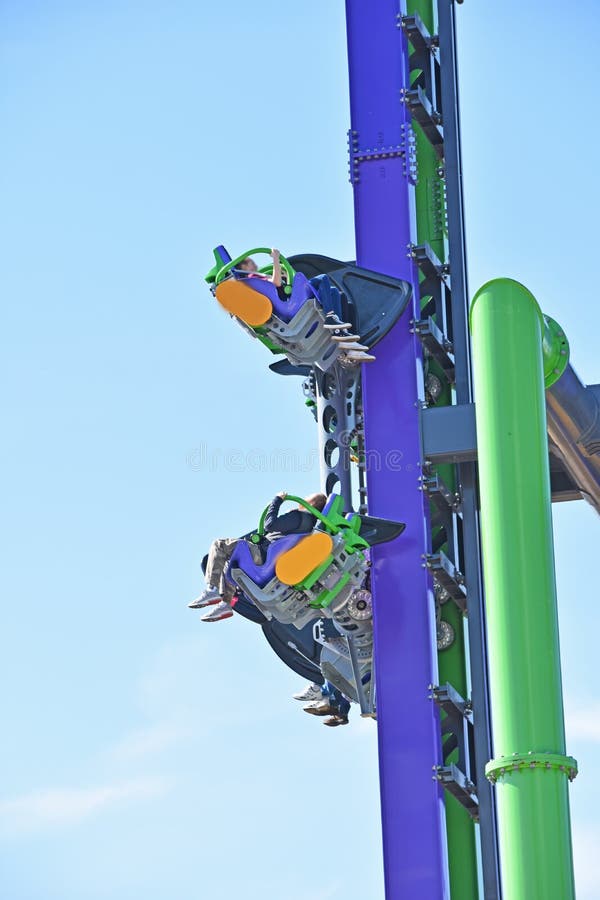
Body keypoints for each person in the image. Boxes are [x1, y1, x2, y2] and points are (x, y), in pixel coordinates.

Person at [188, 490, 327, 622]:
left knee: (220, 545)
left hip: (262, 557)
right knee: (228, 561)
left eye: (306, 499)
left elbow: (270, 524)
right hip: (270, 565)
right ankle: (226, 604)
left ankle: (212, 588)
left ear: (312, 503)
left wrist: (277, 501)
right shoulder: (309, 525)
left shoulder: (300, 516)